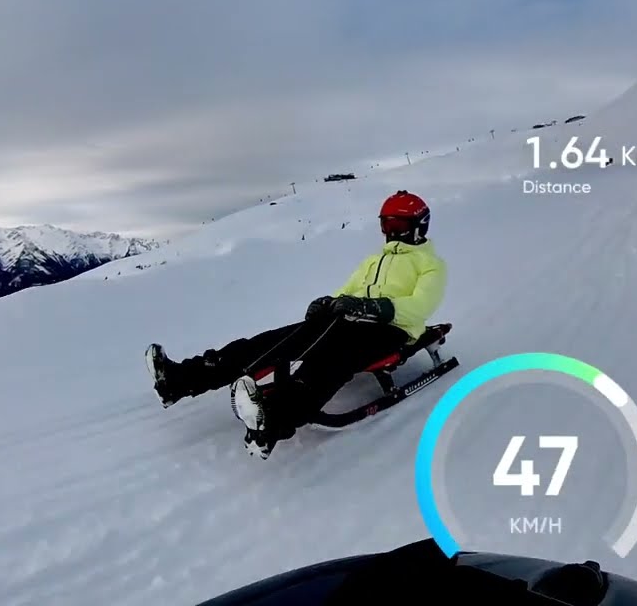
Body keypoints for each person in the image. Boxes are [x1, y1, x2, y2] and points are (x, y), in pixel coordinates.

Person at [144, 190, 447, 455]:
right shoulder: (373, 260)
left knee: (331, 360)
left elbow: (420, 307)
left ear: (419, 226)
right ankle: (179, 379)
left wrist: (373, 307)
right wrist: (328, 302)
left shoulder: (431, 265)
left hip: (390, 330)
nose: (391, 232)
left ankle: (272, 421)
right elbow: (347, 291)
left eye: (398, 225)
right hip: (347, 320)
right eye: (386, 224)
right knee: (275, 341)